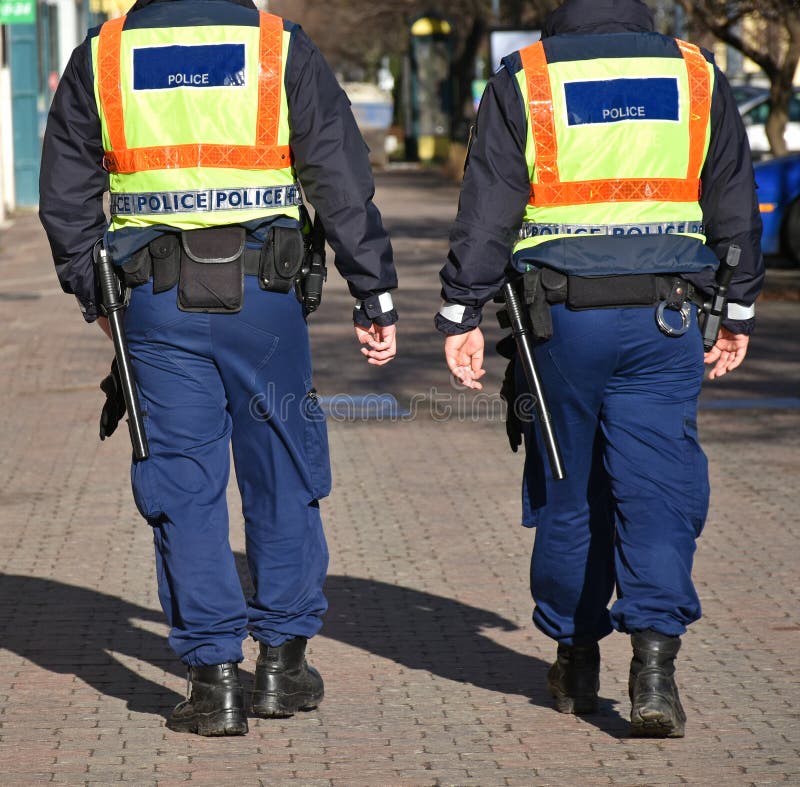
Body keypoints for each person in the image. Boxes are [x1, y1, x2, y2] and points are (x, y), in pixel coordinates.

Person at [39, 0, 398, 737]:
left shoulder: (103, 55)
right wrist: (374, 289)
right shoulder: (276, 46)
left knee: (183, 484)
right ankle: (282, 666)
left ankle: (214, 681)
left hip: (155, 301)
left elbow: (66, 192)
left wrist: (96, 293)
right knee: (285, 471)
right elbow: (336, 172)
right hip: (267, 296)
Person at [436, 0, 763, 738]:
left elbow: (489, 207)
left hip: (563, 322)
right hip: (668, 318)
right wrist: (738, 307)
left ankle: (576, 655)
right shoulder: (695, 73)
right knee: (657, 487)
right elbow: (732, 198)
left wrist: (460, 310)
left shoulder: (527, 77)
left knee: (569, 484)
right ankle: (654, 669)